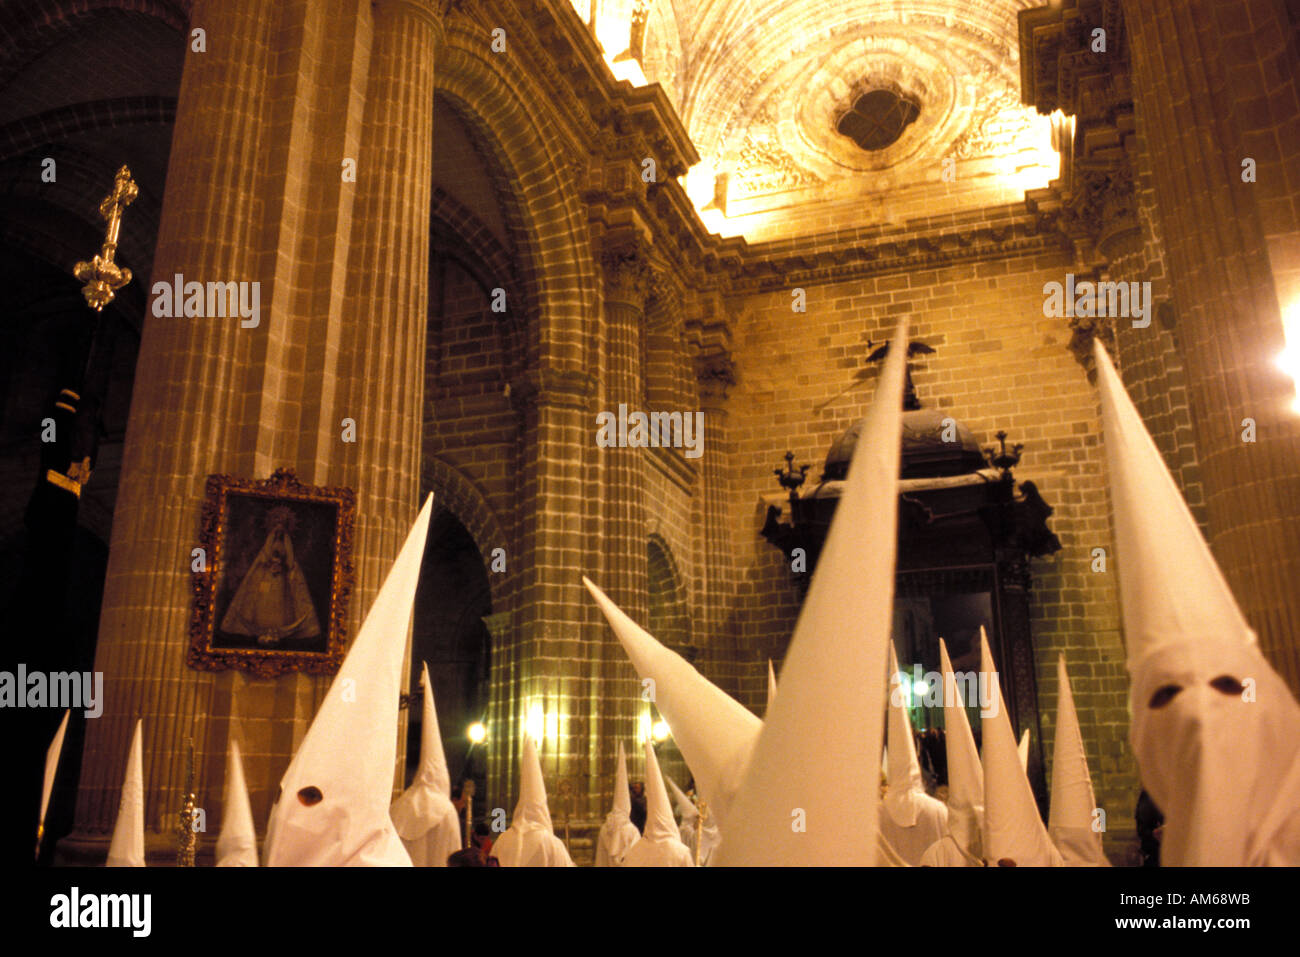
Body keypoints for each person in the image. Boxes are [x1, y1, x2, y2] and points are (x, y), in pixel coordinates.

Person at [222, 506, 320, 645]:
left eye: (281, 527)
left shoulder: (286, 542)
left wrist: (282, 563)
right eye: (276, 527)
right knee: (263, 600)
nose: (278, 530)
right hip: (266, 576)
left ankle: (276, 630)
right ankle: (263, 628)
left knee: (280, 601)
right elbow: (264, 556)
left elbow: (290, 560)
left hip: (281, 578)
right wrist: (270, 562)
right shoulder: (269, 542)